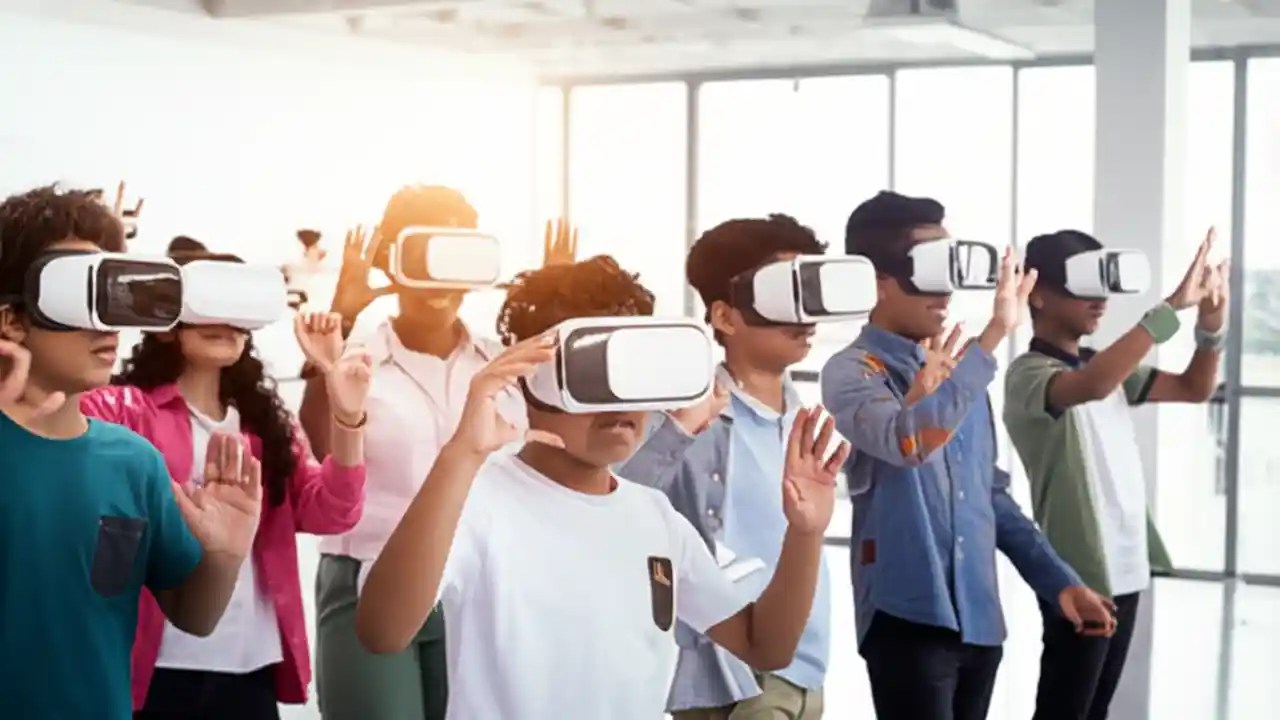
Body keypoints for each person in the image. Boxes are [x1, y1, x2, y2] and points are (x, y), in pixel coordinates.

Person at [355, 255, 850, 720]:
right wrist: (460, 455)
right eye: (595, 373)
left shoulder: (655, 515)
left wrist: (805, 534)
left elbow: (765, 646)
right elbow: (382, 631)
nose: (620, 403)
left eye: (635, 372)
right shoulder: (477, 501)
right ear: (529, 373)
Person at [819, 191, 1118, 720]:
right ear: (877, 282)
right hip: (906, 614)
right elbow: (904, 441)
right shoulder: (852, 372)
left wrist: (1061, 583)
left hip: (978, 617)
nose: (946, 291)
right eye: (927, 272)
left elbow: (991, 497)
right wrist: (996, 333)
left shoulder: (965, 373)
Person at [302, 187, 576, 720]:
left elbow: (554, 446)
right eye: (424, 253)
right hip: (367, 573)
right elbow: (318, 448)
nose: (439, 278)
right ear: (393, 260)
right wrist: (341, 319)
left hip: (482, 584)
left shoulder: (501, 363)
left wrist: (555, 298)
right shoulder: (360, 360)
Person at [79, 251, 373, 719]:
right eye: (206, 301)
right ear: (169, 317)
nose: (223, 320)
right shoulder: (126, 411)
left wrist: (347, 412)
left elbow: (331, 512)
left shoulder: (266, 427)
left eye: (238, 308)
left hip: (248, 665)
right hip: (149, 663)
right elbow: (54, 405)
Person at [0, 185, 257, 719]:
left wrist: (225, 556)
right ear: (11, 319)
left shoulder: (133, 462)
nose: (107, 323)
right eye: (79, 295)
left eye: (112, 295)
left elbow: (192, 613)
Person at [1005, 228, 1226, 720]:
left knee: (1095, 710)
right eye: (1081, 284)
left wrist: (1210, 327)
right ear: (1037, 291)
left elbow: (1193, 388)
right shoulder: (1030, 375)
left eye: (1102, 284)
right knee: (1067, 709)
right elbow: (1091, 385)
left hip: (1126, 565)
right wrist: (1169, 307)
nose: (1098, 299)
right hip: (1077, 574)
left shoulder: (1100, 365)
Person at [619, 215, 832, 720]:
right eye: (784, 294)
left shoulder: (800, 414)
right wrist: (678, 433)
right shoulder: (685, 413)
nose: (804, 314)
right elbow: (613, 503)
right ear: (725, 316)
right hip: (733, 677)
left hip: (807, 669)